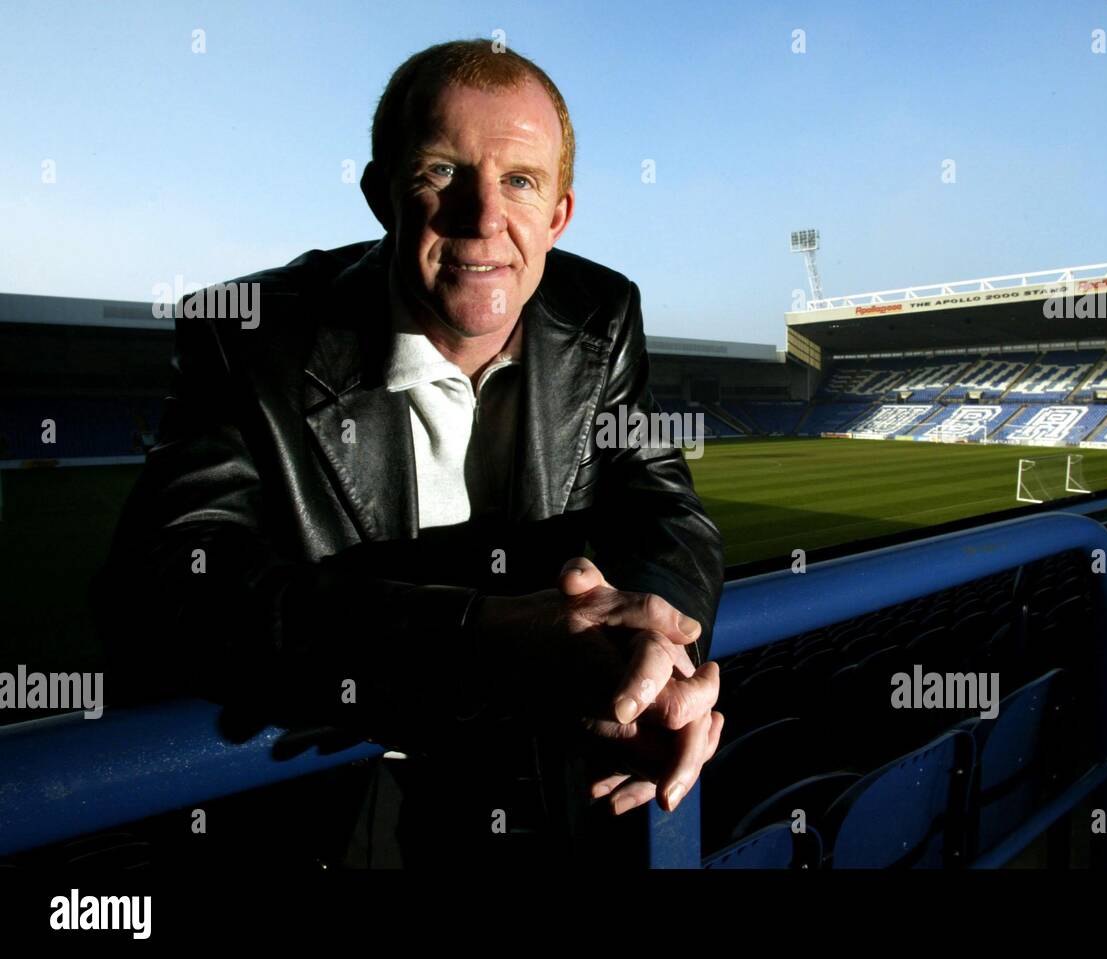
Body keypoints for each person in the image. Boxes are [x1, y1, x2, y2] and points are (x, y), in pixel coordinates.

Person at [92, 38, 726, 867]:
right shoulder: (243, 334)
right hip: (334, 788)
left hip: (543, 770)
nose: (482, 217)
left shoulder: (601, 315)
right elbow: (170, 589)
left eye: (521, 182)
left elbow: (663, 505)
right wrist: (476, 634)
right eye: (440, 174)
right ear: (380, 194)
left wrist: (659, 655)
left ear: (559, 214)